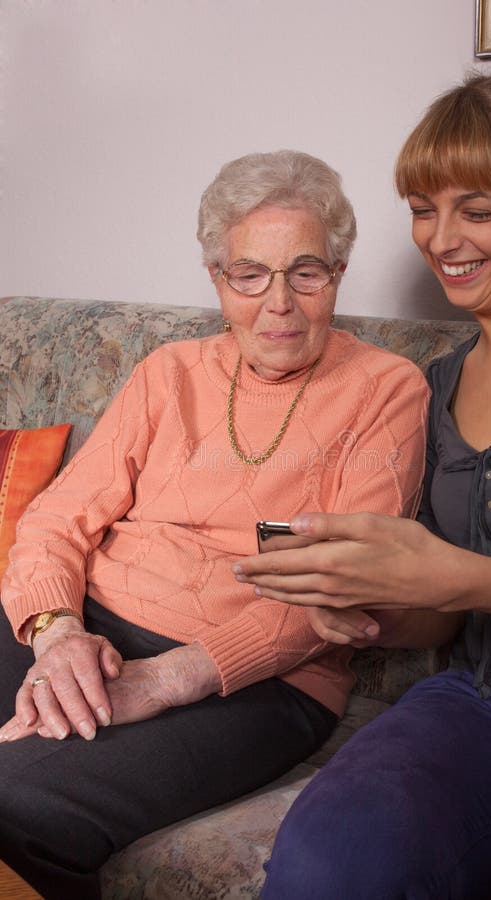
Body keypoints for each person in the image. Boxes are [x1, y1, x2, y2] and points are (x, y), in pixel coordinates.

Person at [0, 150, 430, 899]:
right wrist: (58, 632)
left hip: (259, 682)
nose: (280, 303)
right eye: (250, 274)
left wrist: (170, 678)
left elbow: (335, 589)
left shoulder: (385, 390)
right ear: (217, 281)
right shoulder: (170, 373)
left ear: (337, 271)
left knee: (19, 801)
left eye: (307, 271)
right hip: (94, 630)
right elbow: (58, 517)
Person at [236, 74, 491, 899]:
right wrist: (364, 606)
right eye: (422, 209)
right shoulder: (437, 382)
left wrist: (461, 574)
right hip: (483, 711)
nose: (441, 239)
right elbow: (441, 611)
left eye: (476, 209)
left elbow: (463, 578)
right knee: (327, 862)